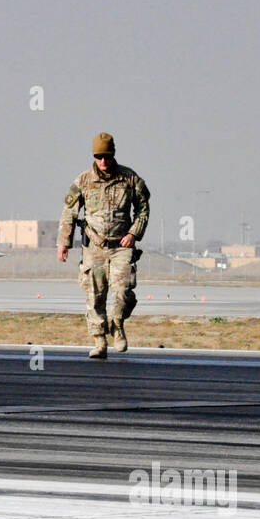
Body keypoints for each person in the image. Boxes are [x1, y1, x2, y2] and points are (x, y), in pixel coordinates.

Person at [56, 132, 151, 358]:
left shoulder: (130, 179)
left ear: (113, 155)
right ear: (94, 156)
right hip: (94, 247)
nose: (103, 161)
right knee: (95, 296)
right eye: (99, 156)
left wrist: (133, 234)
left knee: (124, 290)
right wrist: (63, 243)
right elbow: (69, 212)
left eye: (107, 156)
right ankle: (99, 341)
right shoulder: (83, 181)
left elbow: (143, 209)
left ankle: (117, 324)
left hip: (121, 246)